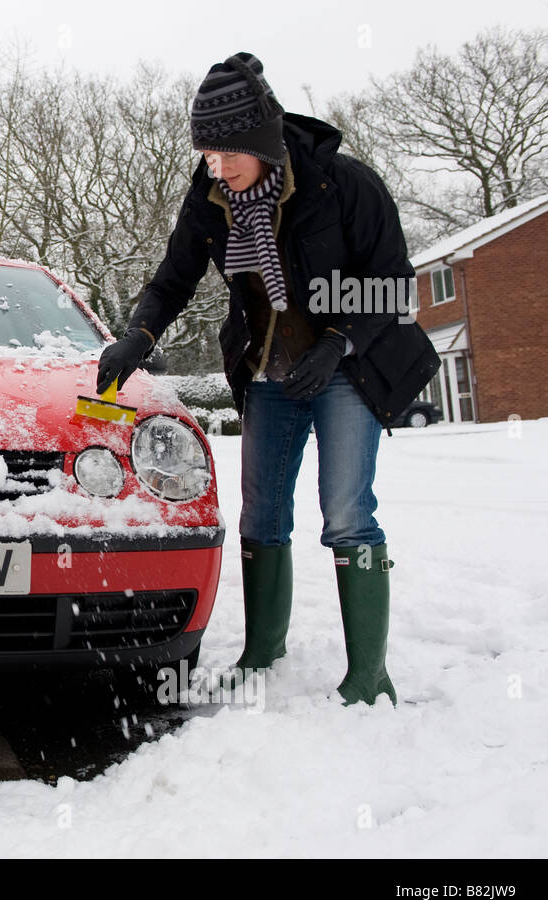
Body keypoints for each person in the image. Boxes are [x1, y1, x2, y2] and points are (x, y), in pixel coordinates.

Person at [97, 53, 440, 706]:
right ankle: (262, 651)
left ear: (261, 141)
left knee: (345, 510)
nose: (216, 168)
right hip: (269, 371)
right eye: (207, 155)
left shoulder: (343, 186)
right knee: (261, 514)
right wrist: (137, 336)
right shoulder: (211, 201)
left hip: (348, 369)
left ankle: (369, 675)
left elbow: (394, 281)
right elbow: (174, 279)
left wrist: (338, 342)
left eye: (227, 154)